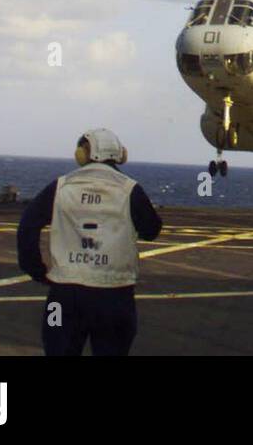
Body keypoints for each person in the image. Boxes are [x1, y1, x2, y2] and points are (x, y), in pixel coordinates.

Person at [17, 129, 163, 355]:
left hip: (63, 295)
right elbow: (152, 230)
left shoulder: (61, 187)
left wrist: (35, 269)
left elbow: (28, 224)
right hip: (115, 295)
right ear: (120, 155)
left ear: (82, 154)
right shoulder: (129, 190)